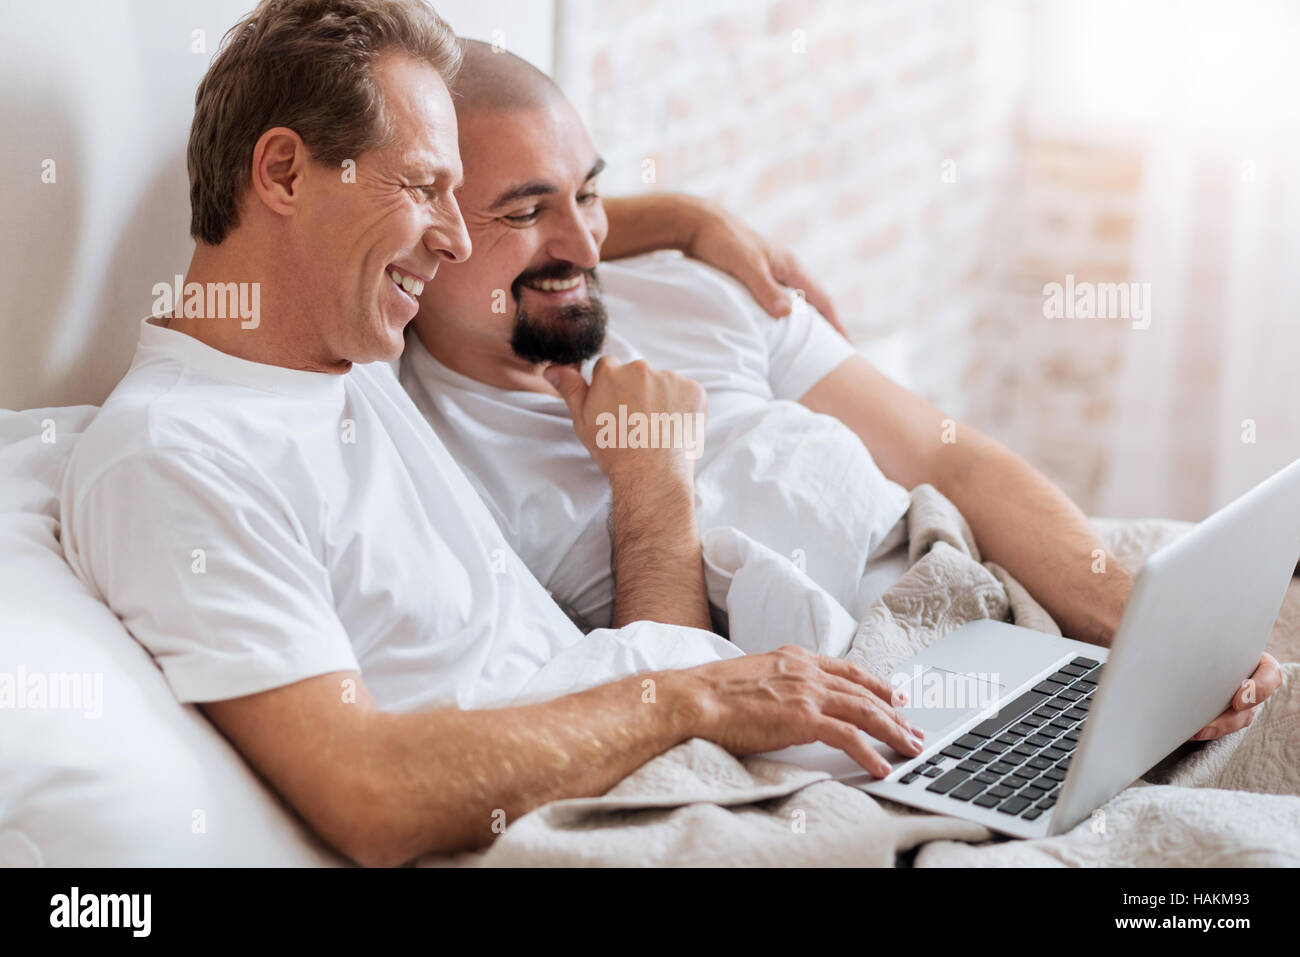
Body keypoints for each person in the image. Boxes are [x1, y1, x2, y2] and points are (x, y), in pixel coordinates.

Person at [59, 0, 929, 867]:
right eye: (422, 188)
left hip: (672, 763)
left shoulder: (339, 346)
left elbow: (540, 231)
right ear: (284, 174)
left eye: (459, 195)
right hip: (591, 820)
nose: (451, 239)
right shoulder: (175, 455)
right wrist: (693, 700)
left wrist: (693, 219)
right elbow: (372, 795)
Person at [401, 40, 1280, 744]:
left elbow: (944, 452)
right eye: (524, 213)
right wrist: (652, 485)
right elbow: (675, 709)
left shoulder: (694, 288)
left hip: (978, 595)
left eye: (590, 194)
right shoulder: (422, 458)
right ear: (422, 232)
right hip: (835, 724)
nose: (587, 248)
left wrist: (1131, 622)